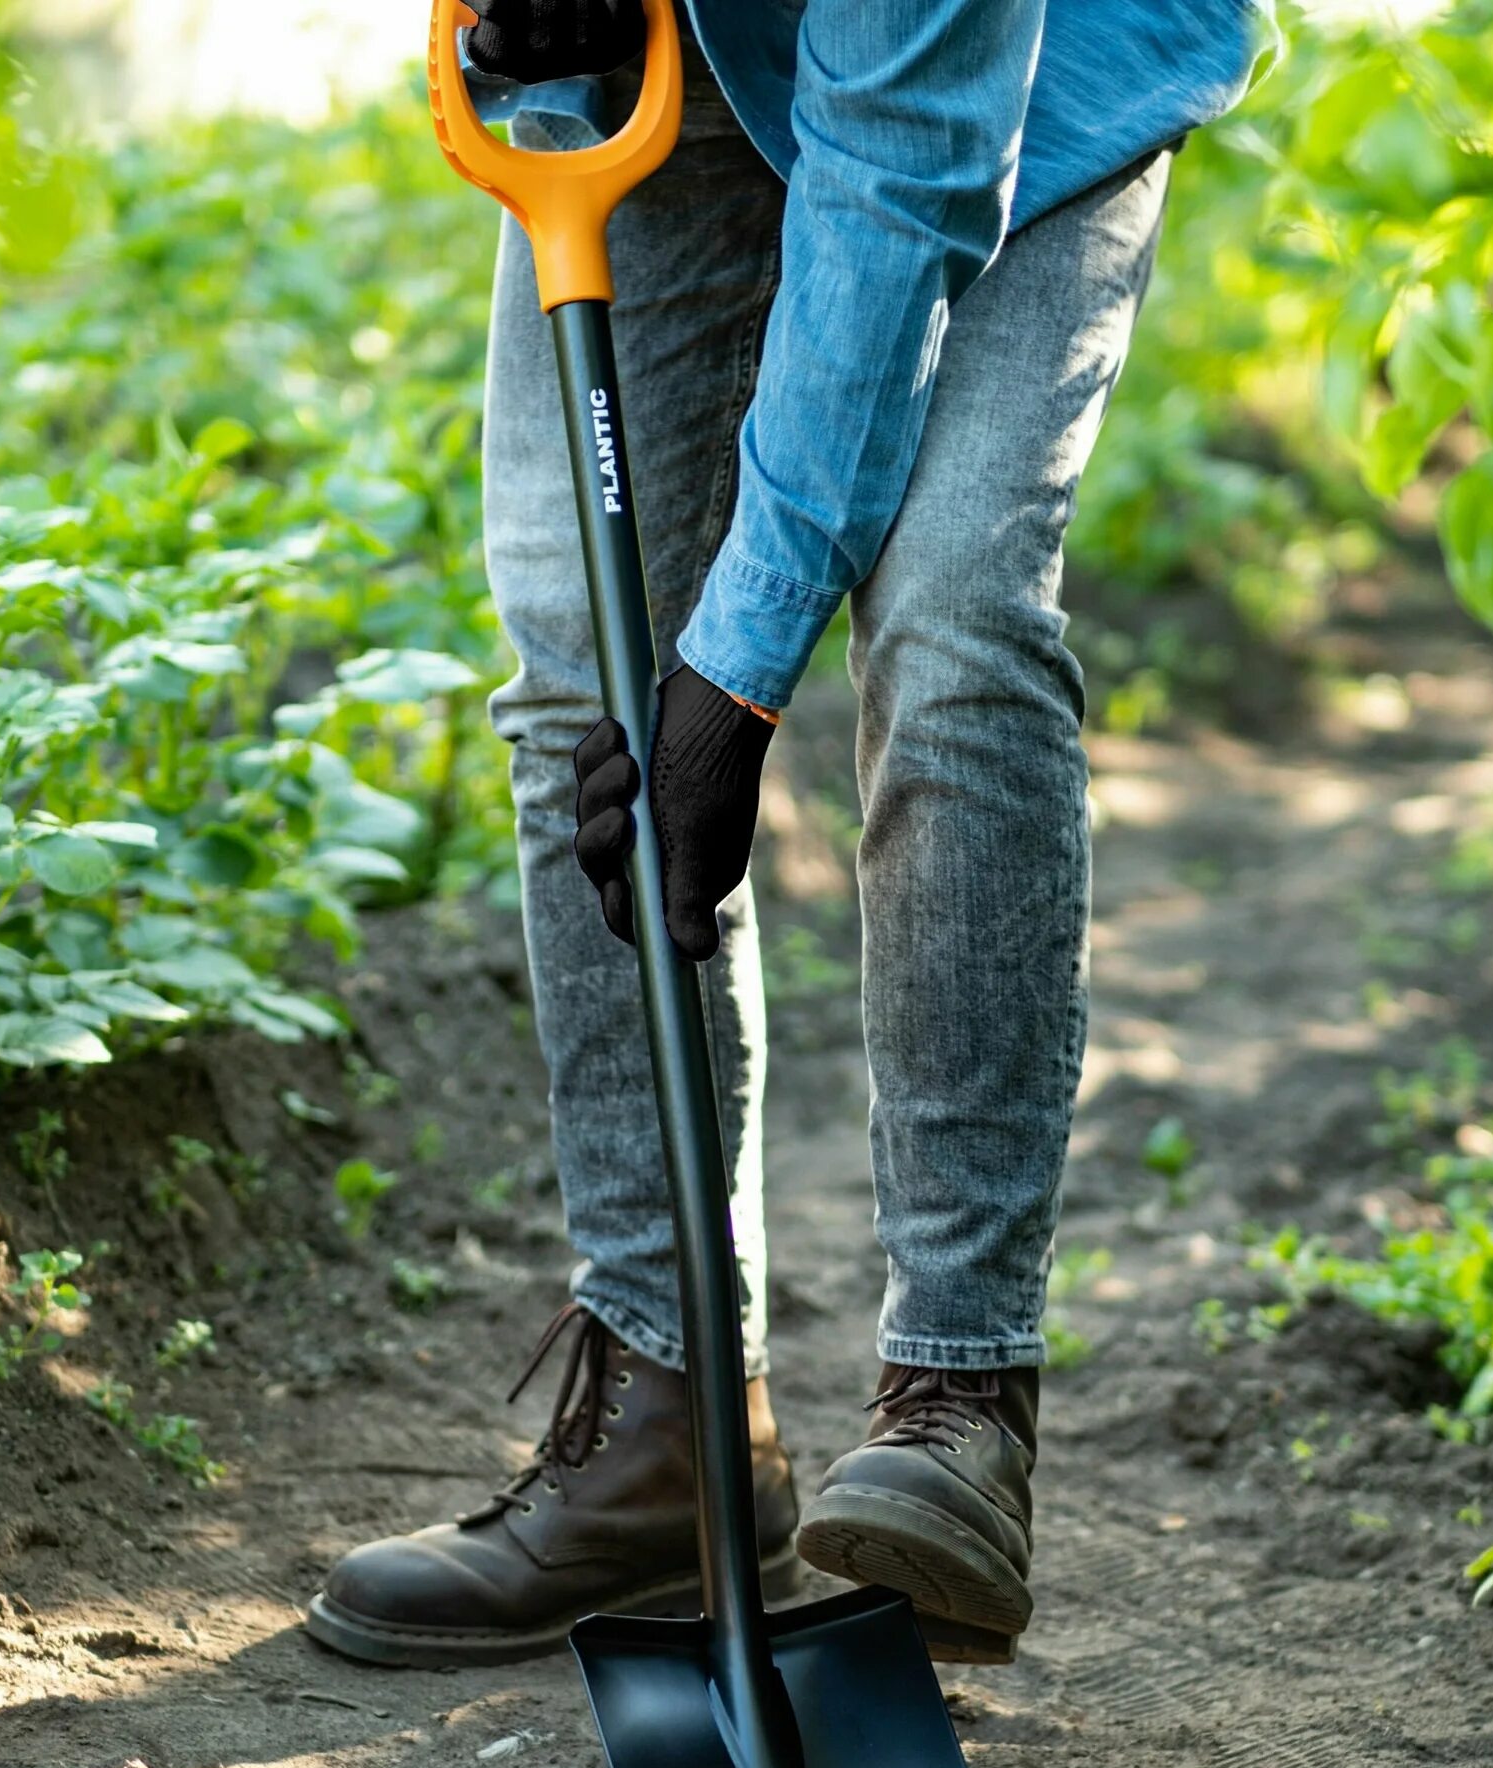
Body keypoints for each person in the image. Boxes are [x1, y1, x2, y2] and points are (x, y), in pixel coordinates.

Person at [304, 0, 1271, 1670]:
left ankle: (957, 1399)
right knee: (582, 680)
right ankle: (666, 1411)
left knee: (956, 614)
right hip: (662, 63)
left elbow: (899, 164)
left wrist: (735, 685)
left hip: (1023, 79)